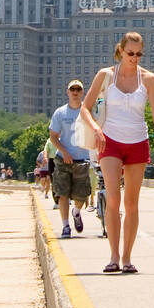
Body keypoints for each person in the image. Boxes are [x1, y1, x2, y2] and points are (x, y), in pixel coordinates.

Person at [80, 32, 154, 273]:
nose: (135, 58)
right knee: (113, 199)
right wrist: (96, 129)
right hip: (110, 141)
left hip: (137, 141)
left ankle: (128, 258)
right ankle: (114, 256)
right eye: (130, 53)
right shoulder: (106, 75)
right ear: (120, 51)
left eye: (139, 54)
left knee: (131, 203)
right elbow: (85, 109)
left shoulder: (149, 79)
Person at [49, 81, 93, 238]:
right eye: (72, 89)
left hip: (82, 159)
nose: (75, 92)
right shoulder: (60, 113)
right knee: (63, 193)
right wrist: (64, 151)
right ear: (67, 92)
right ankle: (65, 226)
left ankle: (76, 212)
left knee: (81, 195)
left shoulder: (87, 111)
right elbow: (53, 137)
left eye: (78, 89)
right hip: (63, 160)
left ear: (82, 92)